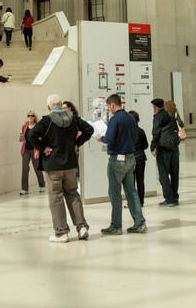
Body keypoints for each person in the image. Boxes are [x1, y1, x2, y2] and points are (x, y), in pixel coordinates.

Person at [28, 94, 93, 242]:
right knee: (73, 194)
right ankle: (82, 227)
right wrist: (77, 143)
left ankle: (61, 232)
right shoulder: (72, 118)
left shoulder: (46, 121)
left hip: (53, 165)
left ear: (49, 107)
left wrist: (43, 147)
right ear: (61, 104)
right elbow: (89, 129)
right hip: (70, 164)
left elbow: (31, 135)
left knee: (56, 198)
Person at [99, 94, 146, 235]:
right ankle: (140, 223)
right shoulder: (131, 118)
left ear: (112, 105)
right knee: (131, 191)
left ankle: (116, 226)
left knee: (114, 193)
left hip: (117, 160)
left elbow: (109, 139)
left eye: (108, 107)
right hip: (131, 158)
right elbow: (134, 136)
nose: (109, 109)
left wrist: (101, 138)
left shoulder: (115, 120)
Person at [150, 97, 180, 205]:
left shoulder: (158, 117)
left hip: (164, 149)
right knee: (174, 174)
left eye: (153, 107)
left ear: (156, 107)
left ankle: (169, 199)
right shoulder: (171, 115)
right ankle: (175, 197)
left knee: (163, 175)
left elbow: (156, 133)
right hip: (174, 148)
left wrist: (152, 147)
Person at [19, 111, 45, 194]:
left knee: (37, 168)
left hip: (34, 149)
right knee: (25, 169)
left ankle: (42, 185)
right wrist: (21, 138)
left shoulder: (37, 127)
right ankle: (24, 189)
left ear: (34, 117)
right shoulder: (24, 126)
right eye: (29, 115)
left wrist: (37, 151)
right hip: (26, 149)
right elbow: (22, 138)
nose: (30, 117)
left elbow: (40, 139)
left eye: (32, 116)